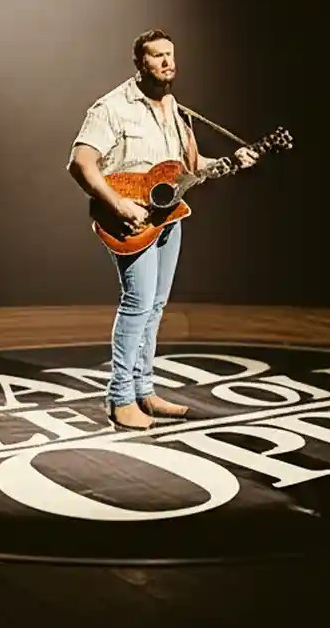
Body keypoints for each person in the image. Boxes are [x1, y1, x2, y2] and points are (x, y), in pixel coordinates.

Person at [67, 29, 259, 430]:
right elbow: (80, 163)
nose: (167, 62)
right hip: (130, 218)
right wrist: (118, 204)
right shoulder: (112, 107)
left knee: (155, 307)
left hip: (168, 217)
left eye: (170, 54)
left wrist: (230, 162)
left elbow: (189, 167)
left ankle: (144, 391)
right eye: (157, 56)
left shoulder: (175, 110)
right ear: (140, 62)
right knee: (137, 304)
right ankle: (120, 398)